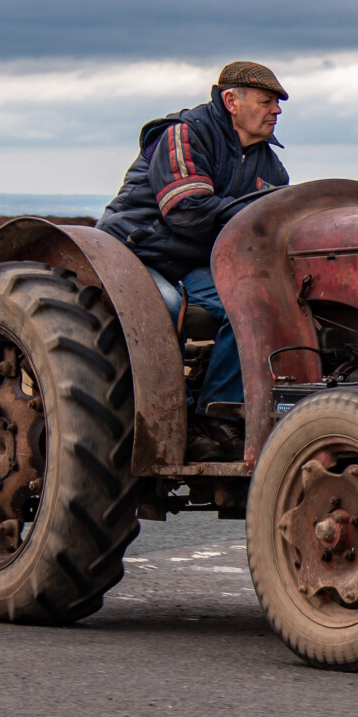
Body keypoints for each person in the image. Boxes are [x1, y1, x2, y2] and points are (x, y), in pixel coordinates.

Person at [97, 61, 290, 458]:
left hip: (195, 262)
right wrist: (249, 220)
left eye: (277, 103)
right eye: (266, 101)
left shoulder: (270, 166)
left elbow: (269, 226)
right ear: (231, 101)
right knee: (160, 307)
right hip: (139, 252)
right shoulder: (184, 135)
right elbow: (186, 209)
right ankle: (162, 419)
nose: (276, 111)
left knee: (253, 307)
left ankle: (214, 417)